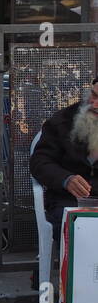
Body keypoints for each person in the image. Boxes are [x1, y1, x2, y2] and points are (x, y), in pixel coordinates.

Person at [30, 78, 98, 245]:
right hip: (69, 201)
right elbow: (40, 161)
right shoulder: (63, 120)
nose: (94, 104)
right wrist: (65, 179)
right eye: (93, 95)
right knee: (77, 232)